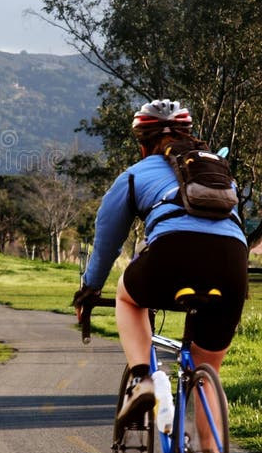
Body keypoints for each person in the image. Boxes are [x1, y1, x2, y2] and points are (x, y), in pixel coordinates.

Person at [73, 99, 248, 429]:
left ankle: (143, 380)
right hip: (232, 262)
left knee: (127, 296)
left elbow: (107, 240)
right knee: (208, 371)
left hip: (172, 253)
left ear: (142, 143)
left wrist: (90, 289)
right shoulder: (220, 174)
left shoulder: (135, 174)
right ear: (188, 135)